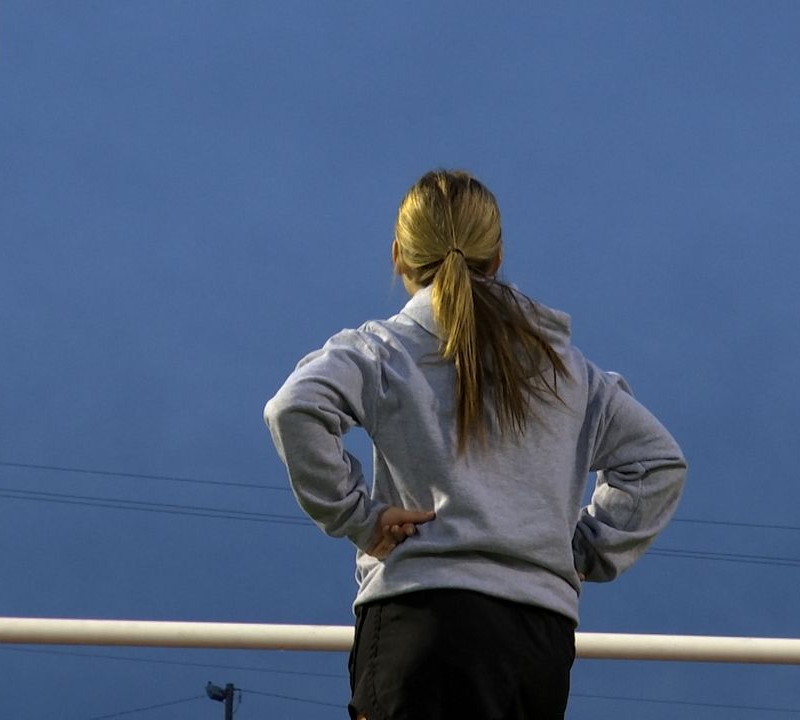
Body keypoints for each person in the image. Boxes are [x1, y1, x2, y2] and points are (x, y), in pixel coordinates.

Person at [264, 169, 686, 720]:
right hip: (536, 643)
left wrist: (359, 518)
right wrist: (577, 549)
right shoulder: (568, 372)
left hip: (417, 624)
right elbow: (657, 463)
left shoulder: (381, 351)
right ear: (498, 254)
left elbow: (294, 408)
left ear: (398, 255)